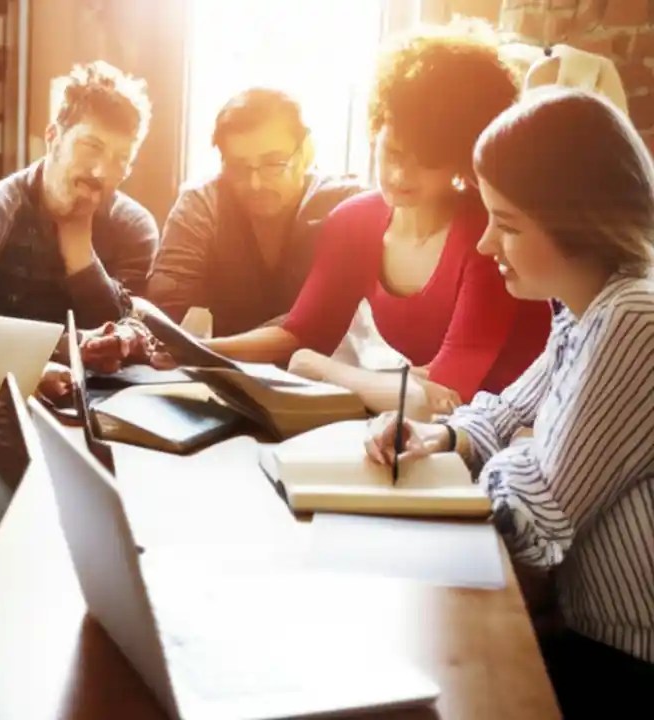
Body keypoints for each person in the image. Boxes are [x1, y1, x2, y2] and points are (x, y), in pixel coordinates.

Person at [364, 88, 654, 715]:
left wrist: (510, 457)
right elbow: (504, 412)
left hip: (627, 661)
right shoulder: (587, 309)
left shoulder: (635, 317)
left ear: (580, 223)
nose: (487, 243)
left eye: (509, 224)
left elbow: (538, 515)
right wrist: (440, 438)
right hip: (590, 633)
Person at [200, 25, 551, 418]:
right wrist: (194, 352)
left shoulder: (488, 239)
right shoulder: (354, 222)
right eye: (394, 153)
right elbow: (300, 334)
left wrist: (319, 368)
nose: (401, 177)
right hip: (420, 429)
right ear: (375, 130)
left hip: (512, 433)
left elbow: (447, 394)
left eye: (428, 163)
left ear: (460, 158)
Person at [0, 60, 160, 377]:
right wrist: (56, 354)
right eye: (91, 147)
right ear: (53, 136)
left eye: (121, 159)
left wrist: (82, 258)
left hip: (103, 403)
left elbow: (136, 329)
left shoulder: (134, 227)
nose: (102, 171)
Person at [148, 88, 362, 335]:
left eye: (273, 164)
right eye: (239, 167)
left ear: (306, 152)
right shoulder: (203, 203)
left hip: (318, 370)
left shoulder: (345, 204)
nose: (255, 183)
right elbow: (168, 310)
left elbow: (338, 315)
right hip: (211, 369)